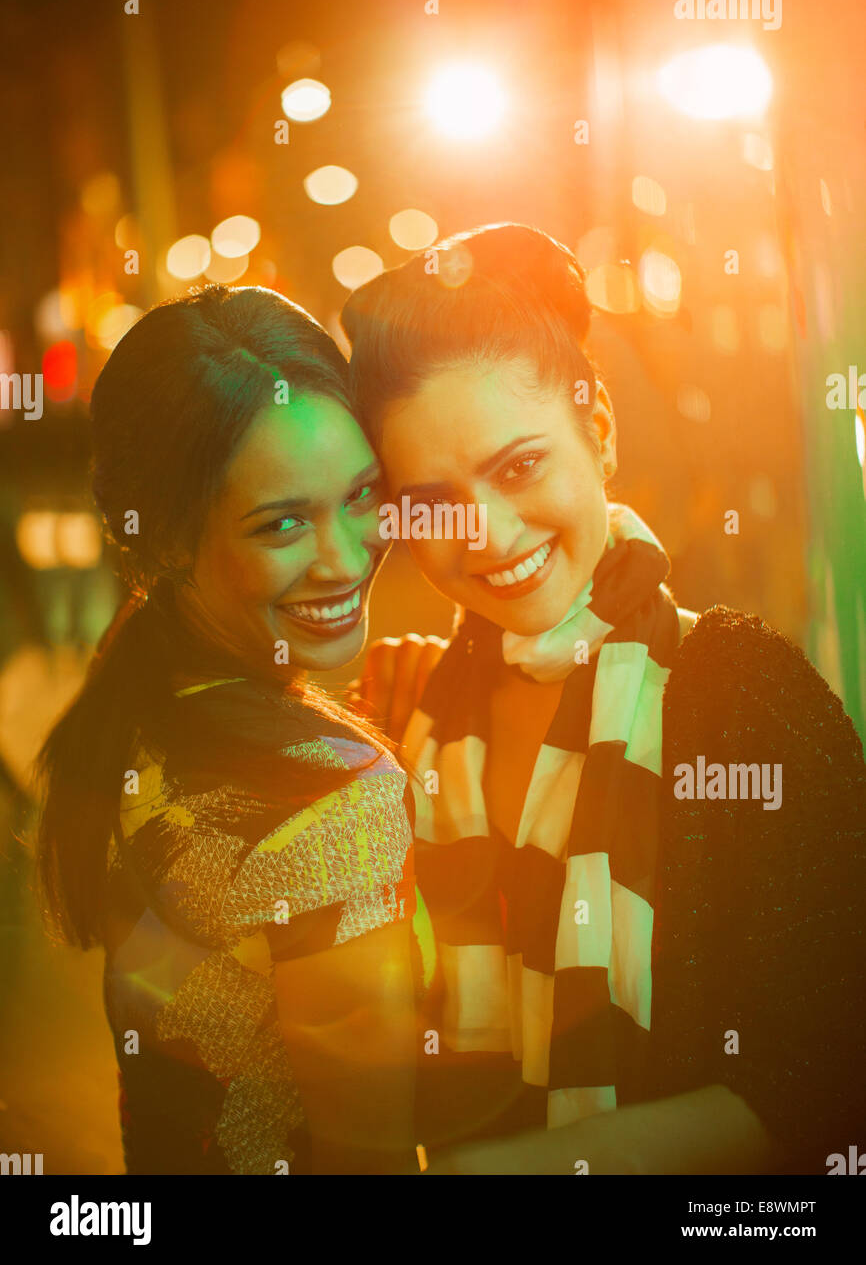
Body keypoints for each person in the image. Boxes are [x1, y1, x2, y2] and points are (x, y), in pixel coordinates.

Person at [342, 222, 866, 1174]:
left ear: (602, 433)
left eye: (520, 466)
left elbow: (828, 1078)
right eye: (435, 501)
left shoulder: (741, 694)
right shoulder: (408, 715)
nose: (489, 535)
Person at [36, 283, 418, 1175]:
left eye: (362, 495)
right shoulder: (340, 802)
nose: (346, 556)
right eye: (282, 522)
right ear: (171, 536)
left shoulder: (136, 685)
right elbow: (374, 1163)